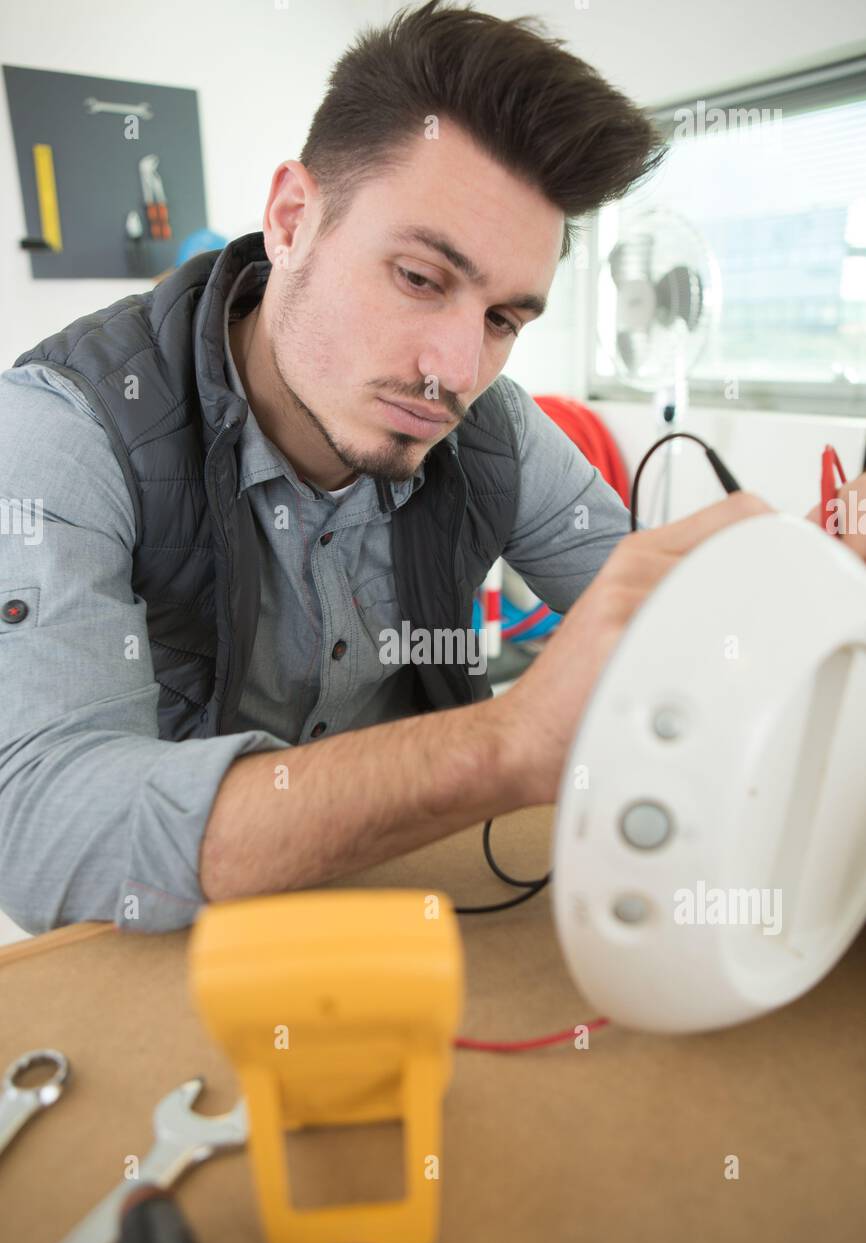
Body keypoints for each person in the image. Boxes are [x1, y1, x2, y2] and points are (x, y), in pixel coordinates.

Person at [0, 2, 857, 935]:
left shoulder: (496, 430)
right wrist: (498, 749)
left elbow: (672, 624)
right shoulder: (65, 429)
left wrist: (807, 594)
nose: (454, 371)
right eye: (419, 278)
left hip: (419, 911)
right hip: (172, 949)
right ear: (292, 219)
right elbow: (42, 827)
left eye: (503, 320)